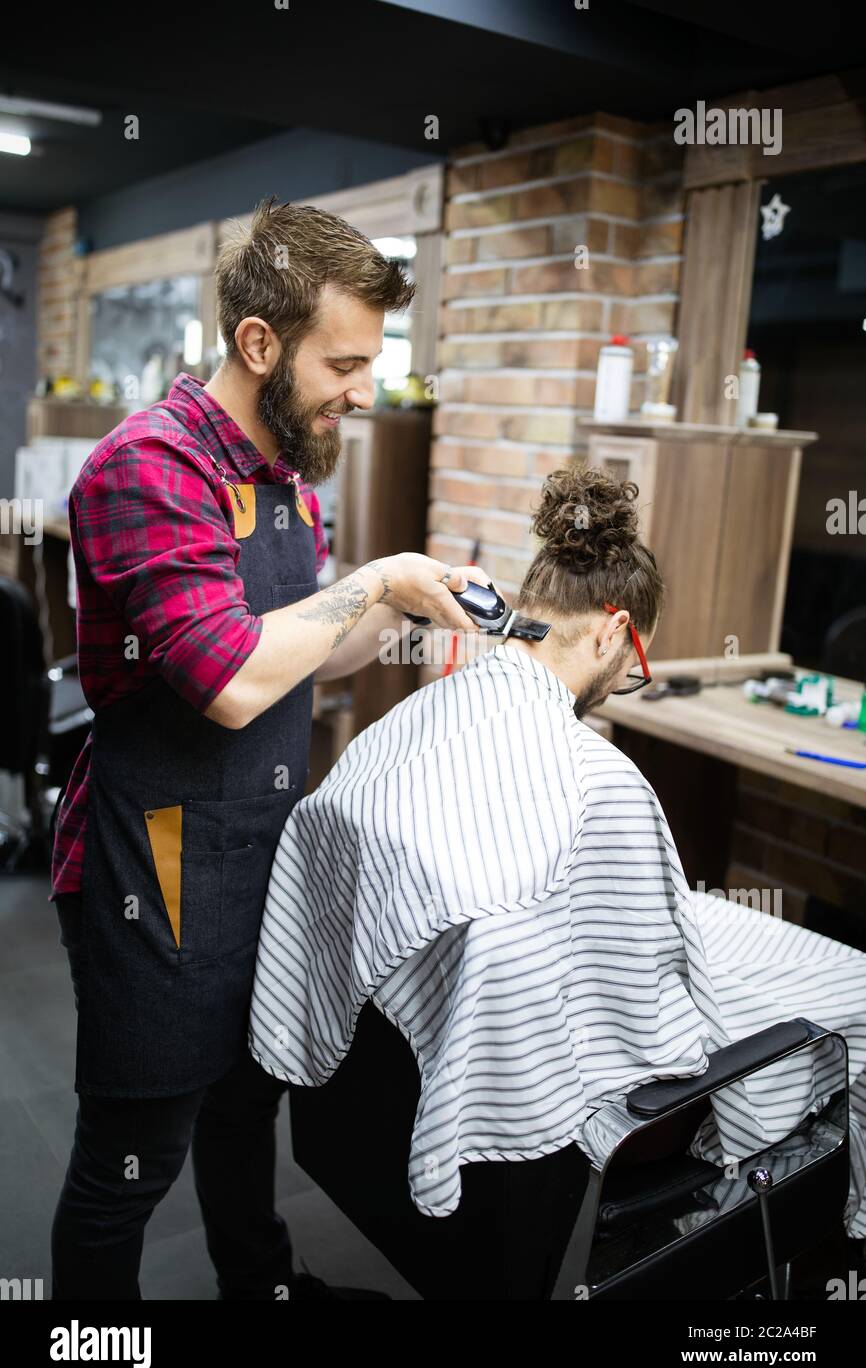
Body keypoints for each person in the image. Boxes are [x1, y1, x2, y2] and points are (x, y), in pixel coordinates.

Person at [49, 195, 493, 1300]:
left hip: (264, 855)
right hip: (156, 869)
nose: (363, 388)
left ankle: (263, 1287)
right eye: (343, 361)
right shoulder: (144, 469)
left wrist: (411, 616)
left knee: (246, 1107)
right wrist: (374, 580)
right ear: (258, 343)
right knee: (132, 1162)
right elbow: (231, 679)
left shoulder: (289, 470)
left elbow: (309, 655)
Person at [250, 466, 866, 1256]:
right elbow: (662, 1024)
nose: (623, 679)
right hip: (559, 1123)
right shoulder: (598, 786)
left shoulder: (417, 719)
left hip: (386, 1086)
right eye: (633, 662)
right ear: (612, 632)